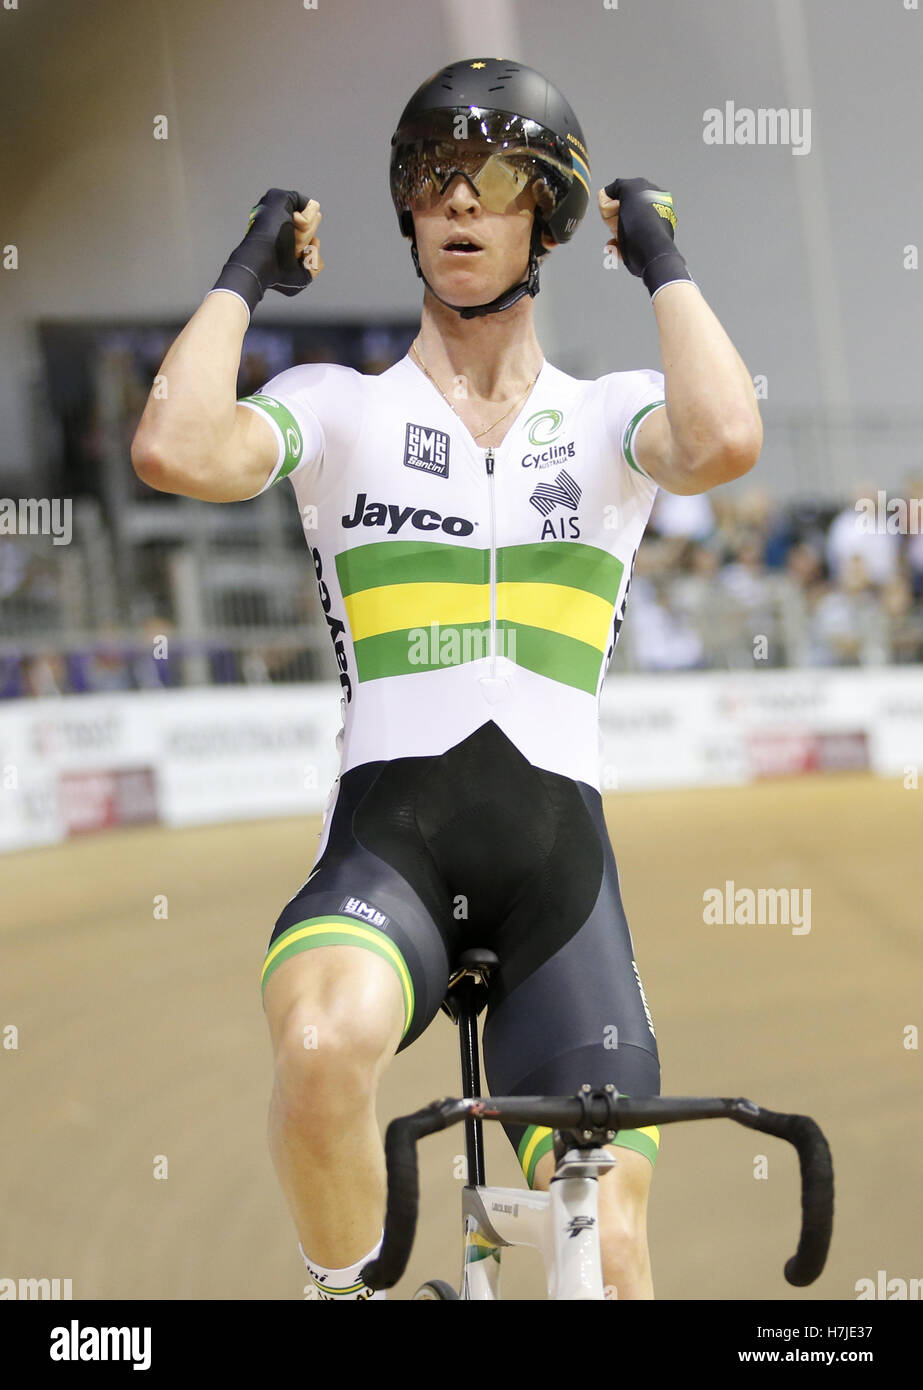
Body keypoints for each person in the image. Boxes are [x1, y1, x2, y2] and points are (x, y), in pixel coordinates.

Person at [131, 58, 762, 1300]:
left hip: (556, 880)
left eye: (492, 181)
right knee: (317, 1050)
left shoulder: (611, 416)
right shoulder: (337, 408)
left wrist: (662, 263)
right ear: (408, 213)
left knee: (615, 1255)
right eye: (431, 181)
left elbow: (724, 435)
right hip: (390, 853)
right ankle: (344, 1290)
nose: (458, 206)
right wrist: (246, 269)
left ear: (550, 217)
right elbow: (172, 443)